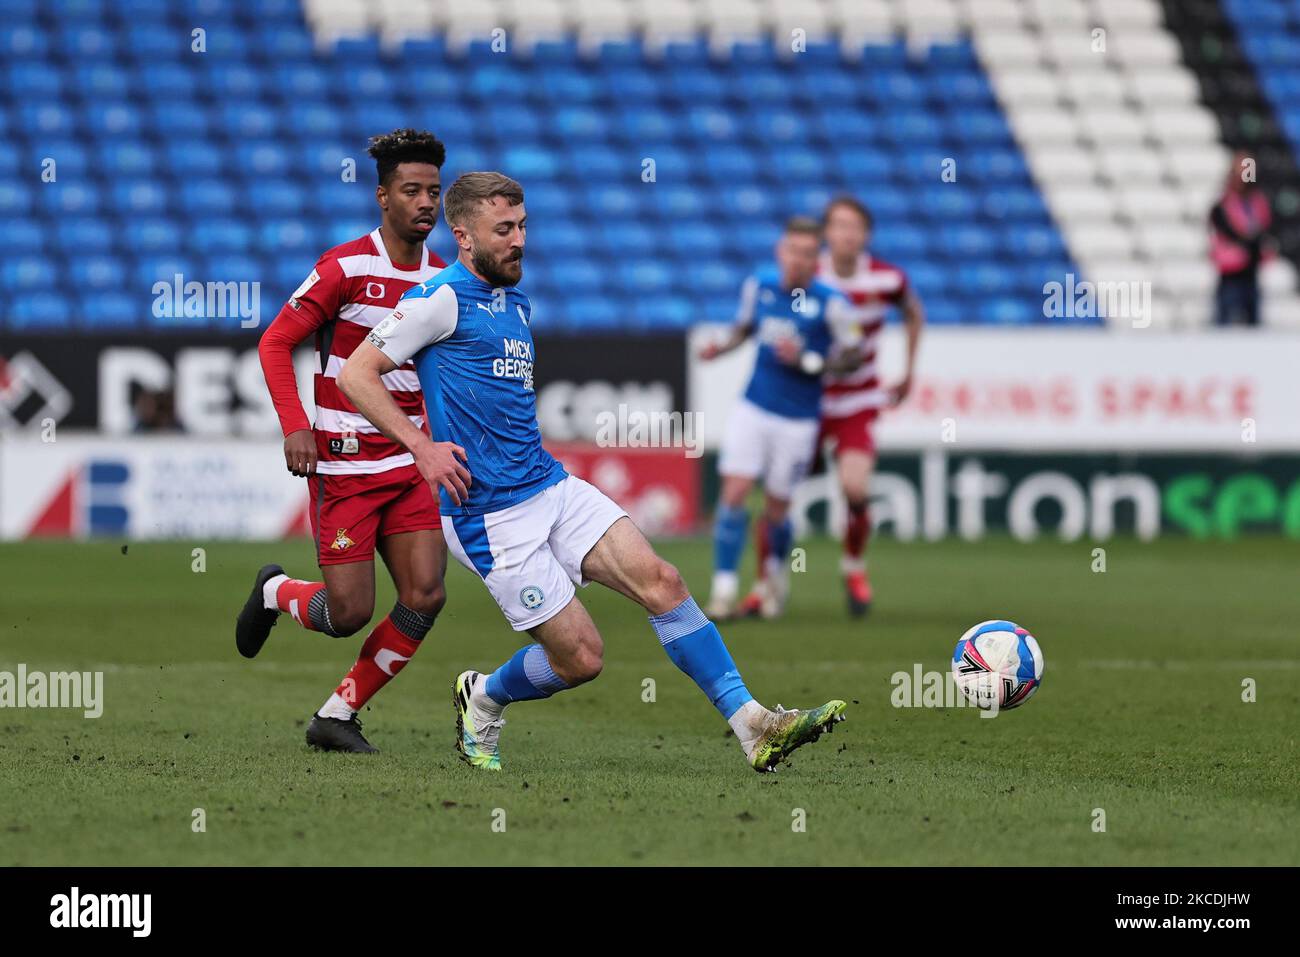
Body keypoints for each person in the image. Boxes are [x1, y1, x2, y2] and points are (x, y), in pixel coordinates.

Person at [339, 172, 847, 773]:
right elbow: (356, 374)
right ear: (465, 236)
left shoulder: (516, 300)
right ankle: (483, 697)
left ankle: (753, 726)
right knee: (581, 659)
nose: (519, 240)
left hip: (550, 486)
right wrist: (421, 446)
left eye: (523, 226)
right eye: (503, 229)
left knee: (665, 582)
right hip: (489, 517)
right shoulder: (440, 299)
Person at [233, 129, 462, 754]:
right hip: (344, 467)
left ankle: (338, 714)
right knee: (349, 613)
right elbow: (275, 342)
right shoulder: (344, 268)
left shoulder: (446, 282)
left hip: (409, 463)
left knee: (426, 595)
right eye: (411, 191)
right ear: (383, 196)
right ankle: (276, 591)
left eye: (434, 192)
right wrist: (295, 425)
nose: (425, 203)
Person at [698, 217, 863, 621]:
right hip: (754, 407)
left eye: (808, 254)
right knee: (734, 493)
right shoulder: (760, 286)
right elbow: (744, 328)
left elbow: (854, 353)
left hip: (799, 420)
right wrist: (721, 348)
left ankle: (772, 580)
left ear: (817, 259)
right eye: (793, 251)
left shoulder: (833, 303)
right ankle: (723, 591)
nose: (799, 260)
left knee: (776, 509)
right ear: (781, 251)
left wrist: (812, 360)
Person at [815, 196, 924, 616]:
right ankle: (768, 586)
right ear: (827, 232)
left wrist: (909, 371)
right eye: (838, 225)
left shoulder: (887, 279)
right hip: (806, 400)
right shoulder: (811, 274)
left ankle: (854, 568)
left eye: (854, 227)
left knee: (855, 489)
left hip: (858, 400)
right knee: (777, 496)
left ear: (866, 234)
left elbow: (914, 314)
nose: (846, 234)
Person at [1210, 149, 1274, 326]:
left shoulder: (1256, 200)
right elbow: (1225, 228)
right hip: (1231, 270)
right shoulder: (1224, 202)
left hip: (1251, 270)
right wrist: (1248, 238)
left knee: (1253, 321)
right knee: (1225, 319)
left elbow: (1264, 226)